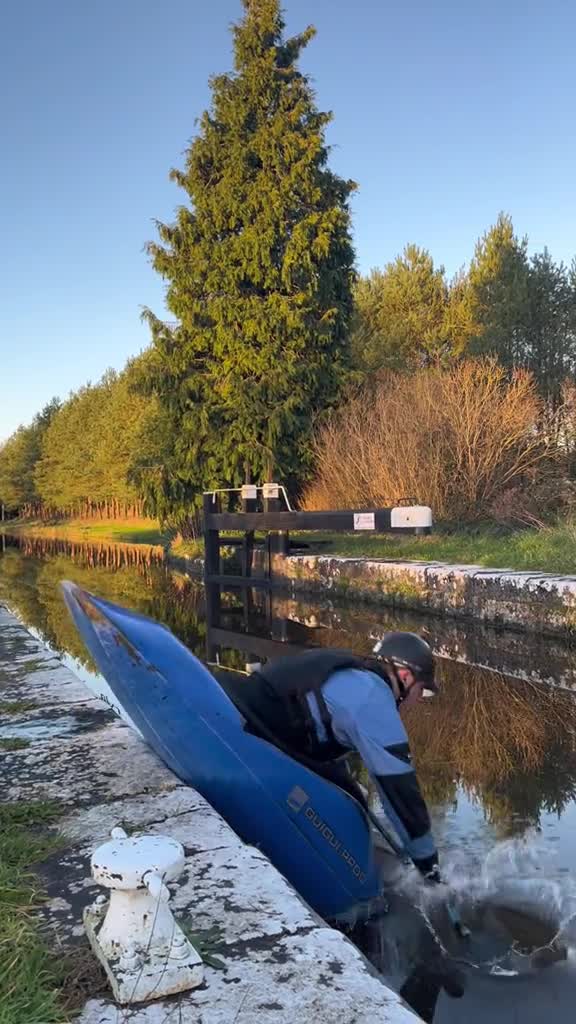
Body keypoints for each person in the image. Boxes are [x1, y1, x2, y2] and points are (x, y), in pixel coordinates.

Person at [226, 631, 441, 882]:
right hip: (251, 729)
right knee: (348, 806)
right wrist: (429, 866)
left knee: (352, 791)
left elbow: (320, 724)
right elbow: (401, 792)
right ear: (405, 676)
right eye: (421, 691)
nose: (417, 701)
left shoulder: (354, 673)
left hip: (244, 706)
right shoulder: (374, 699)